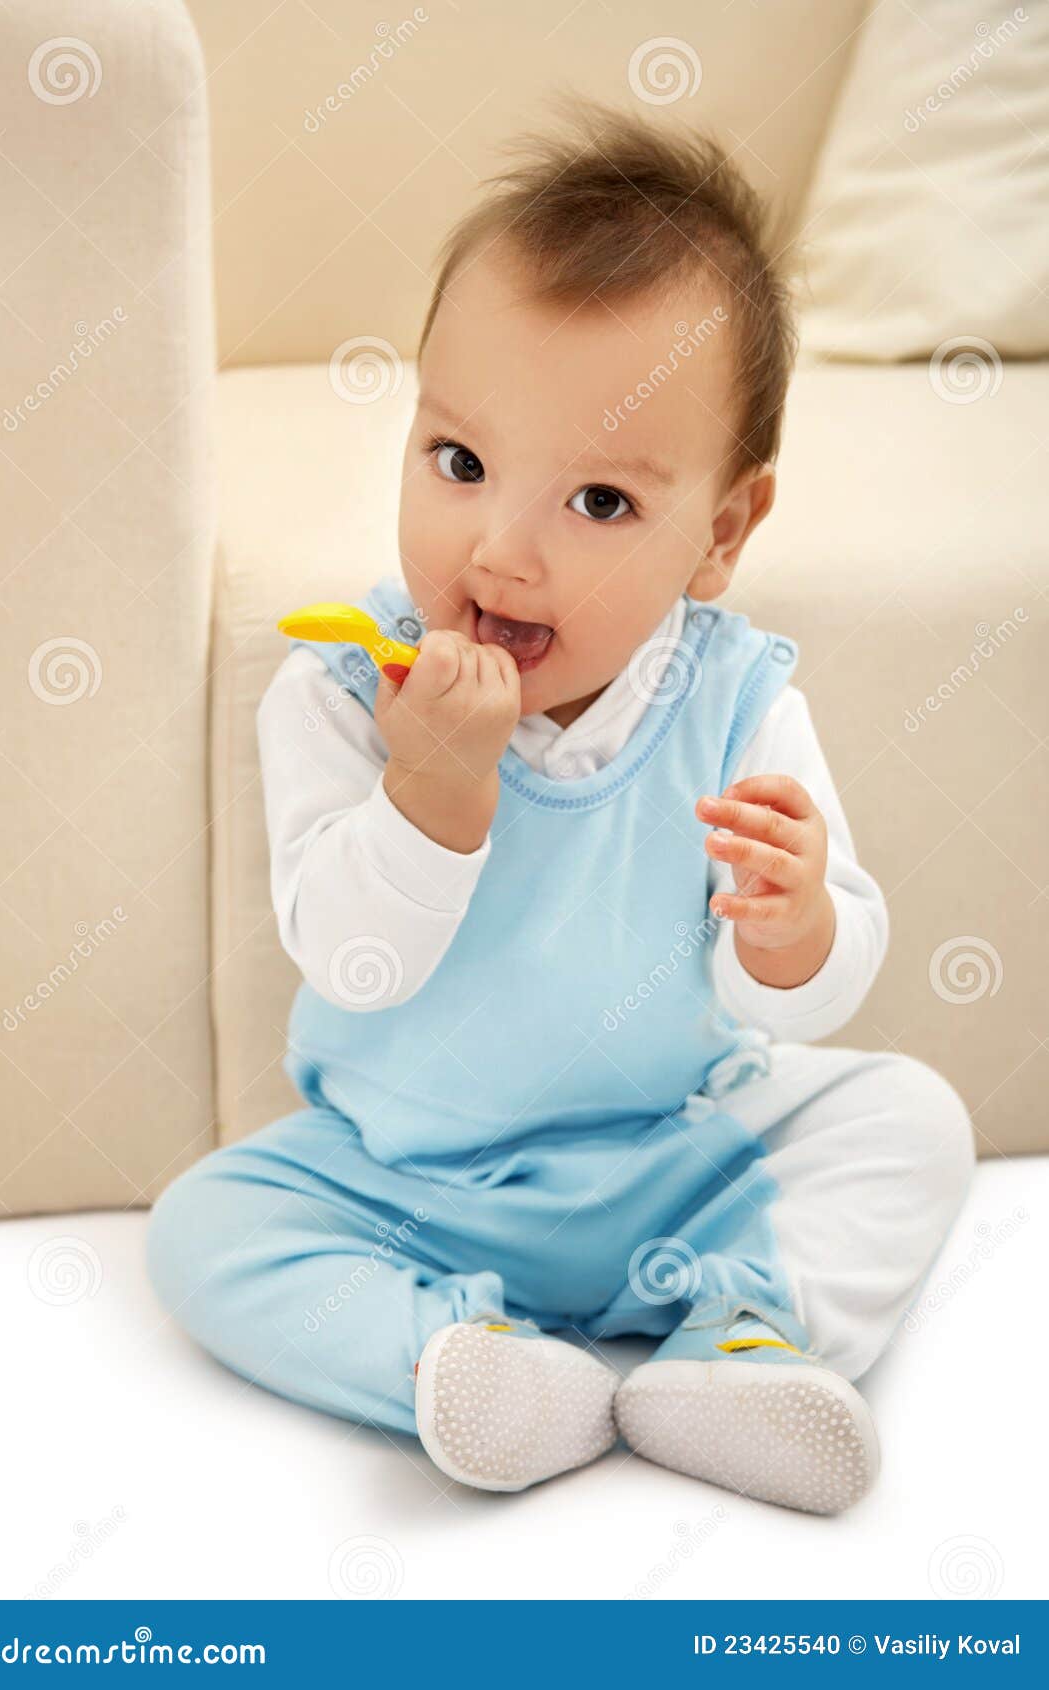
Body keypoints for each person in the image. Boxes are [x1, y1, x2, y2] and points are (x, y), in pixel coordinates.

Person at [147, 98, 974, 1515]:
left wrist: (793, 931)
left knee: (910, 1116)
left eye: (597, 502)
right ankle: (469, 1361)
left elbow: (799, 1001)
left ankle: (740, 1338)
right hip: (403, 1187)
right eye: (460, 465)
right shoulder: (345, 690)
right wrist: (432, 787)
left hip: (671, 1159)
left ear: (720, 533)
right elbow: (352, 961)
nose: (501, 550)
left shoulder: (734, 704)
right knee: (203, 1228)